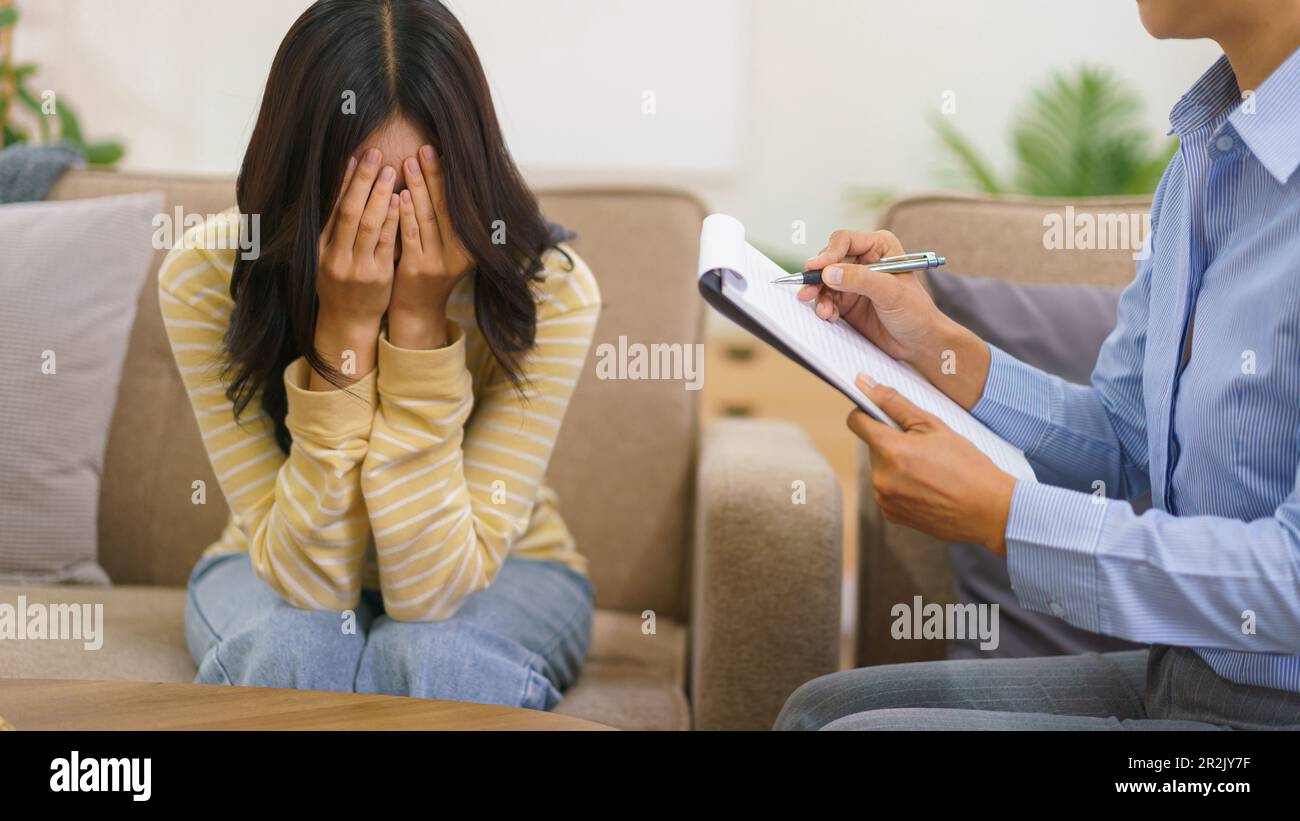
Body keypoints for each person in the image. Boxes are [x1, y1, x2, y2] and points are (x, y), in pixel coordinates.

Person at [778, 0, 1300, 730]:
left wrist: (1007, 516)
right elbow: (1120, 441)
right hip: (1185, 673)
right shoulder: (1203, 162)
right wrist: (932, 344)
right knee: (819, 710)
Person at [159, 0, 599, 711]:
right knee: (298, 648)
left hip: (507, 565)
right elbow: (310, 588)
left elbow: (428, 594)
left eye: (418, 191)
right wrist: (344, 334)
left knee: (433, 655)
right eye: (361, 194)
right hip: (271, 557)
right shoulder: (208, 274)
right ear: (301, 178)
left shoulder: (551, 290)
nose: (390, 225)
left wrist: (419, 324)